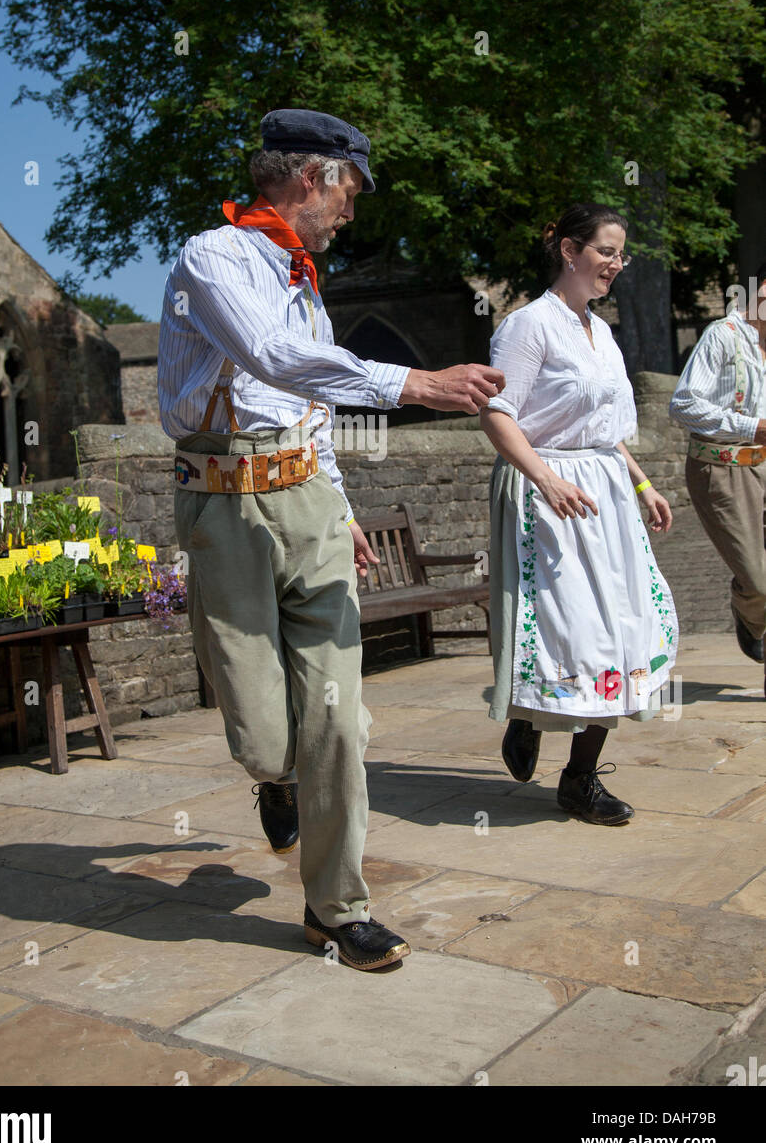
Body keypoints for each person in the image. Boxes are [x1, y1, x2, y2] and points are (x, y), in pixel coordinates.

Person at [157, 107, 504, 969]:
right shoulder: (215, 258)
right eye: (350, 190)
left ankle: (337, 909)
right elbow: (272, 357)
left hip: (308, 499)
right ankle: (274, 780)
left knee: (340, 721)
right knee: (268, 737)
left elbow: (307, 413)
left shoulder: (306, 282)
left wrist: (341, 507)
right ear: (314, 176)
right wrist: (414, 382)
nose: (352, 210)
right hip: (225, 509)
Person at [479, 203, 678, 824]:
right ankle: (529, 713)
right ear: (570, 251)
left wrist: (643, 483)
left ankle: (579, 778)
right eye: (606, 252)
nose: (617, 265)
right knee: (572, 635)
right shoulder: (527, 326)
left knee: (624, 630)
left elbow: (605, 428)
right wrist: (546, 478)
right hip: (548, 492)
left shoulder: (602, 331)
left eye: (622, 255)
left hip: (609, 495)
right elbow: (495, 414)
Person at [669, 262, 766, 683]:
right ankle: (750, 609)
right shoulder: (722, 337)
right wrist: (752, 427)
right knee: (760, 580)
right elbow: (684, 404)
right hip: (724, 469)